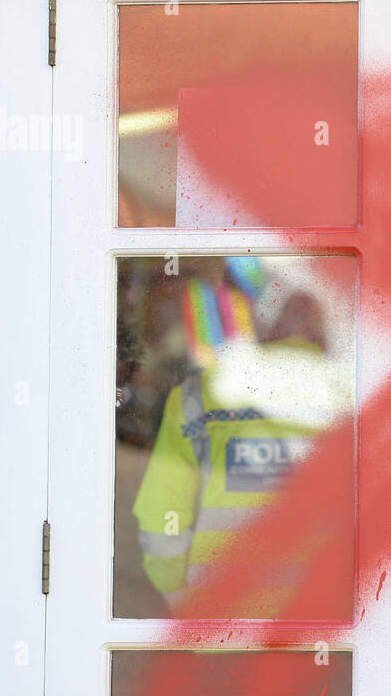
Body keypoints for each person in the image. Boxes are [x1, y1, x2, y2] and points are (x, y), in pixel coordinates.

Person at [132, 258, 350, 613]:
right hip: (324, 626)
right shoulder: (360, 398)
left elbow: (162, 515)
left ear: (262, 321)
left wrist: (180, 598)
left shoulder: (202, 391)